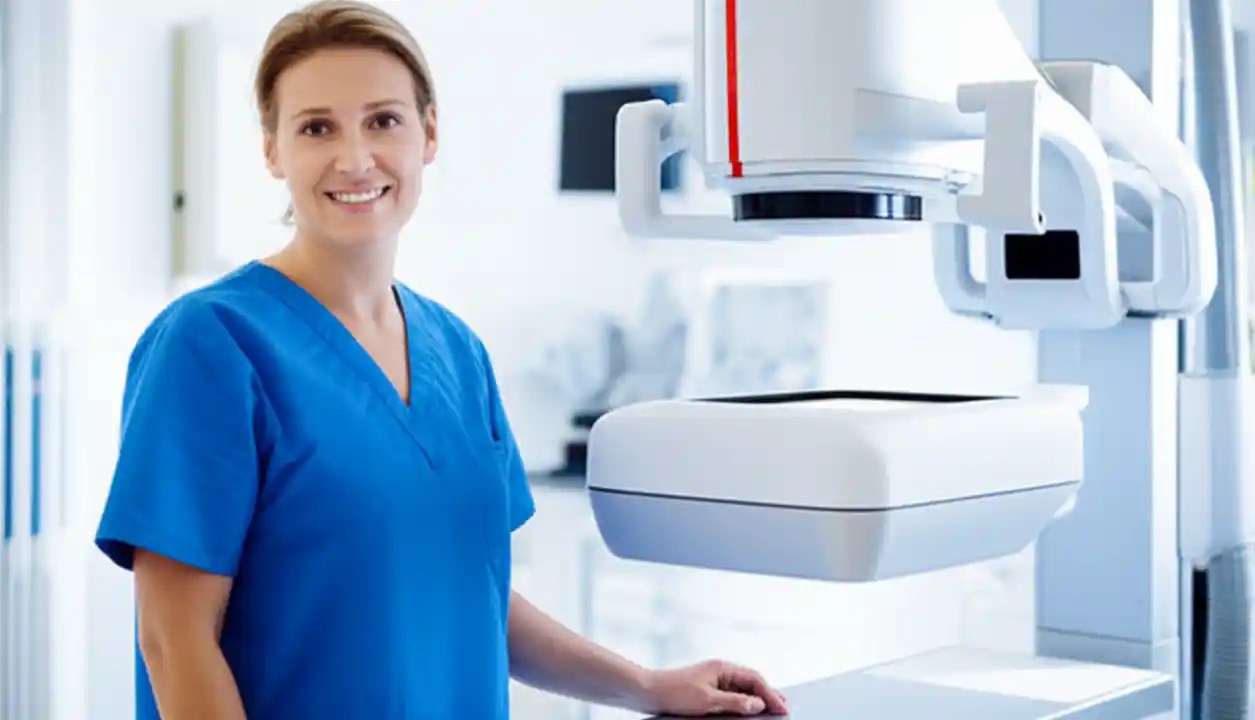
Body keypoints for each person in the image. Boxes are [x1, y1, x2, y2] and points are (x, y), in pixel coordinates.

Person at [93, 1, 788, 718]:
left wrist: (647, 686)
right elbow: (174, 642)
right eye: (316, 127)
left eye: (384, 120)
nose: (355, 157)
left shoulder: (457, 352)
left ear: (428, 134)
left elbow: (473, 592)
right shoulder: (211, 345)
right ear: (273, 150)